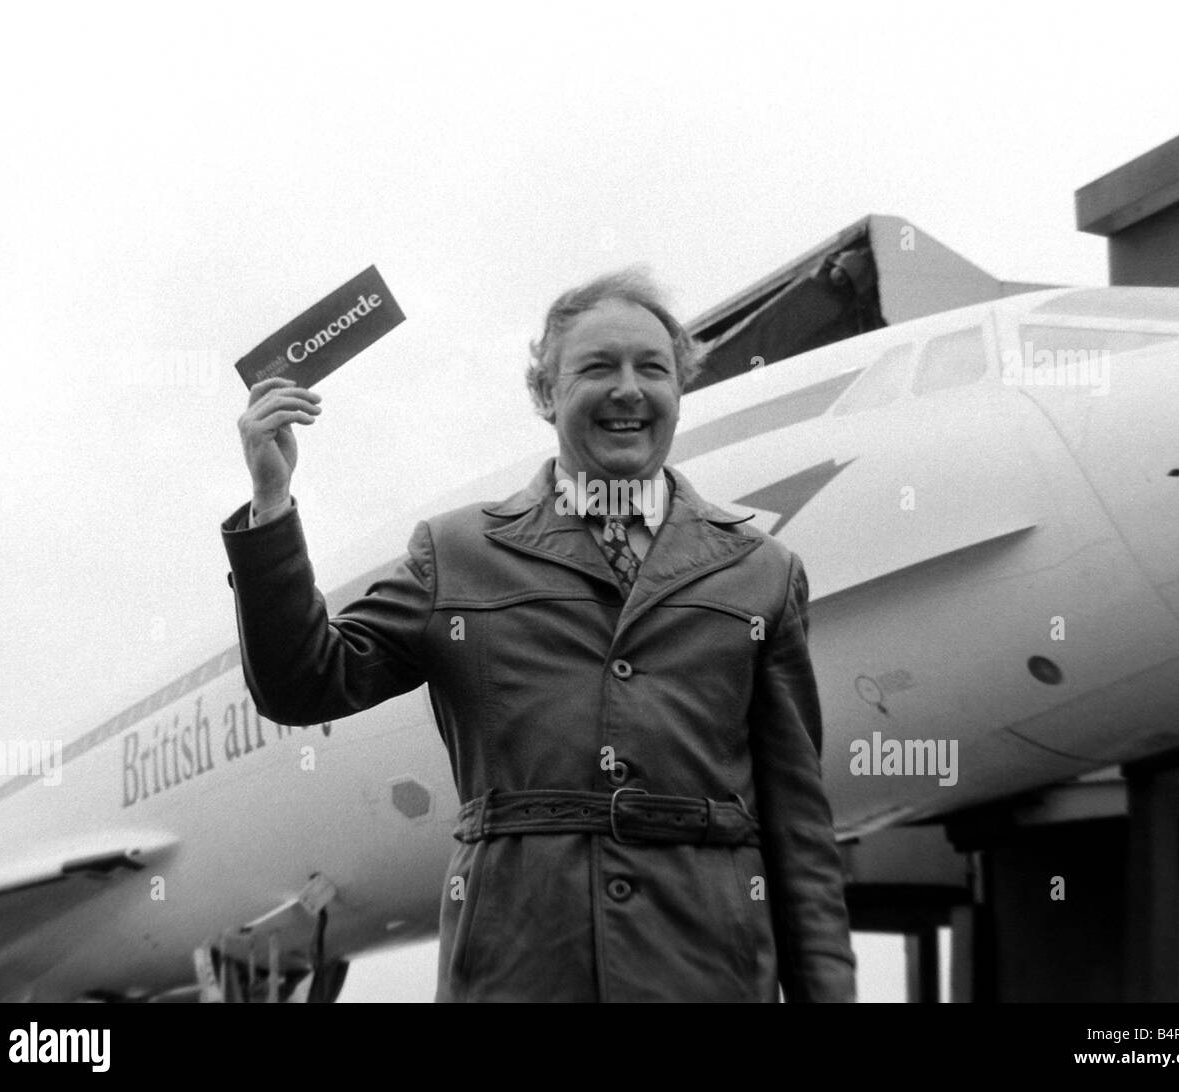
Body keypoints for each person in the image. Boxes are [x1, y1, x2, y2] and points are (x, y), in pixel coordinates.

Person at [222, 269, 856, 1002]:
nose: (628, 389)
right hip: (516, 972)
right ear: (546, 394)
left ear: (679, 392)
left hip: (707, 973)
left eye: (652, 369)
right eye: (596, 367)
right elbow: (302, 684)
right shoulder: (457, 554)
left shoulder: (763, 572)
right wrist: (271, 501)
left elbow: (799, 835)